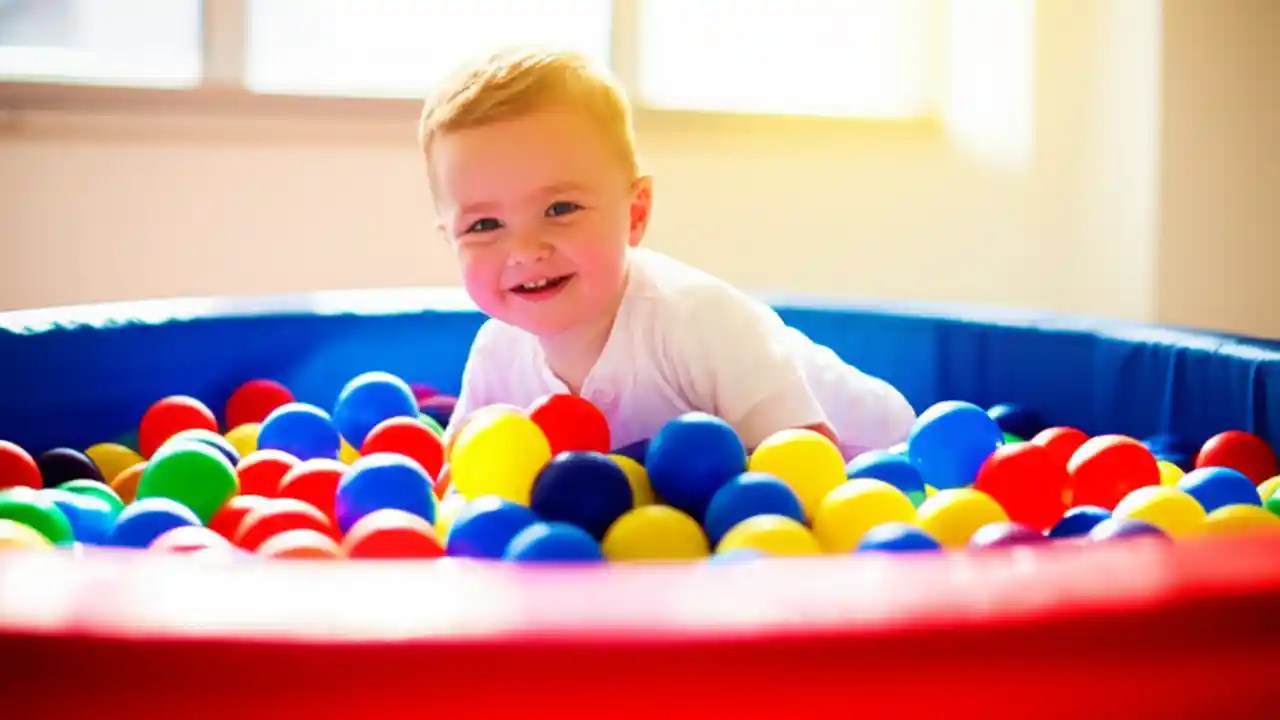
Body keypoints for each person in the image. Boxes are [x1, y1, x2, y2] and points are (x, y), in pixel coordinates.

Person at [419, 47, 915, 460]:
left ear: (634, 215)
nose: (525, 251)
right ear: (450, 239)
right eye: (484, 225)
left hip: (887, 453)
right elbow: (461, 475)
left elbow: (804, 463)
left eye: (560, 208)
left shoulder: (700, 321)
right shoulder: (496, 354)